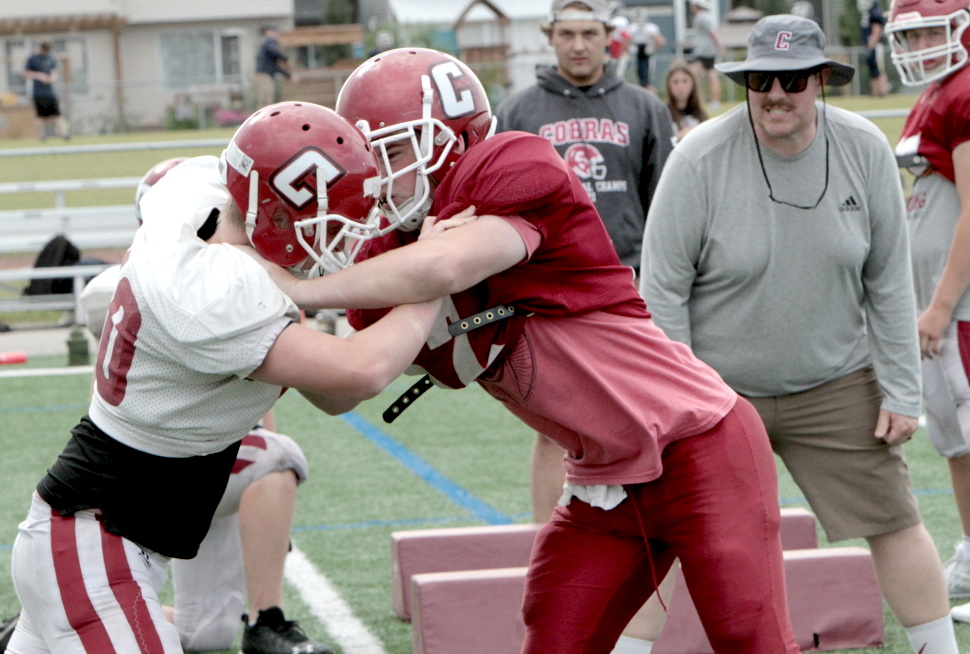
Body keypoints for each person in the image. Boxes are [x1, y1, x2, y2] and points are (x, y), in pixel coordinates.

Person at [249, 46, 801, 653]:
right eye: (369, 156)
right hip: (605, 480)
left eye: (395, 149)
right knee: (554, 634)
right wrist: (278, 318)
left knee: (750, 639)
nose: (379, 174)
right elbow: (344, 389)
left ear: (451, 139)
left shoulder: (509, 165)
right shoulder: (391, 258)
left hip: (700, 446)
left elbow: (448, 264)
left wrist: (304, 286)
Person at [5, 102, 447, 654]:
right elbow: (360, 372)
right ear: (278, 216)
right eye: (326, 220)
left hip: (96, 536)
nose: (339, 235)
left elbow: (334, 398)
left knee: (207, 631)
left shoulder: (195, 195)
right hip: (95, 544)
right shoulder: (218, 294)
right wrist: (435, 273)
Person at [640, 14, 958, 653]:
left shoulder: (865, 147)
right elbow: (662, 292)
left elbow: (888, 282)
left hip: (835, 381)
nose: (774, 93)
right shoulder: (698, 157)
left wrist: (900, 389)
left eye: (791, 79)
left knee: (894, 518)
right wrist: (676, 405)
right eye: (760, 79)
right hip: (717, 392)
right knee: (661, 532)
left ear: (820, 81)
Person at [76, 156, 331, 654]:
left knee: (206, 635)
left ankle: (72, 616)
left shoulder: (218, 281)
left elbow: (258, 407)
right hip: (155, 469)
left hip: (212, 464)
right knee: (277, 457)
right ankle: (267, 621)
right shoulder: (166, 289)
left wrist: (266, 508)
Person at [886, 0, 970, 624]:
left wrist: (941, 305)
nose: (916, 47)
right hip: (938, 302)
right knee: (955, 438)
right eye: (907, 36)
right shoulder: (937, 93)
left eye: (925, 33)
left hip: (959, 304)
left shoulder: (962, 92)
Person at [23, 42, 68, 141]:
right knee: (39, 116)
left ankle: (65, 135)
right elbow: (26, 73)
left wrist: (52, 78)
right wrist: (39, 75)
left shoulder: (50, 58)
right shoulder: (32, 59)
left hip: (50, 93)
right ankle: (41, 137)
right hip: (38, 93)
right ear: (40, 48)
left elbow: (54, 71)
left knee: (57, 114)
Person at [688, 0, 726, 111]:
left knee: (696, 73)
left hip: (704, 51)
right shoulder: (705, 16)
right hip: (705, 50)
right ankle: (710, 101)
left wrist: (719, 46)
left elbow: (712, 33)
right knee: (708, 75)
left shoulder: (702, 17)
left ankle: (711, 101)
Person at [664, 59, 709, 144]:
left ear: (693, 84)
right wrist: (678, 137)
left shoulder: (701, 114)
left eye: (685, 81)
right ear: (669, 85)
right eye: (675, 82)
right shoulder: (664, 114)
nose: (680, 87)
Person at [255, 26, 296, 108]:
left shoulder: (267, 47)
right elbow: (274, 52)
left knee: (266, 99)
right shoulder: (269, 42)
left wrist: (288, 75)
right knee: (265, 99)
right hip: (264, 75)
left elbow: (276, 66)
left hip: (265, 75)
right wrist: (286, 60)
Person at [630, 8, 667, 91]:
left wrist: (652, 49)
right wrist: (630, 48)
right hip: (637, 55)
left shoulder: (650, 28)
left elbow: (661, 41)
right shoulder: (632, 28)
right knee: (638, 81)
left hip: (647, 56)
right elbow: (625, 41)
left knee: (646, 81)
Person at [861, 0, 890, 96]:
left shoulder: (874, 13)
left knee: (879, 69)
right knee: (873, 70)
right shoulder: (868, 14)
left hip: (876, 46)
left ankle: (882, 91)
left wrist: (872, 43)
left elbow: (876, 30)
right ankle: (875, 92)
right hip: (871, 46)